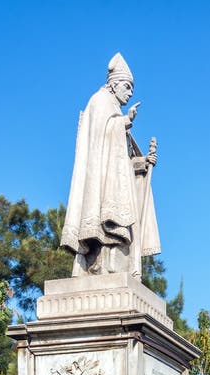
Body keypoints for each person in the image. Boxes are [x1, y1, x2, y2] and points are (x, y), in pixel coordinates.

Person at [61, 53, 160, 279]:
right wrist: (125, 121)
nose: (130, 92)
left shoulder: (114, 110)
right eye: (127, 87)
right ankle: (97, 266)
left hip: (112, 186)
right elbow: (100, 145)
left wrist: (143, 163)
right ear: (114, 85)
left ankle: (113, 267)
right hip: (100, 190)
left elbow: (119, 162)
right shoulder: (100, 101)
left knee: (117, 232)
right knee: (103, 227)